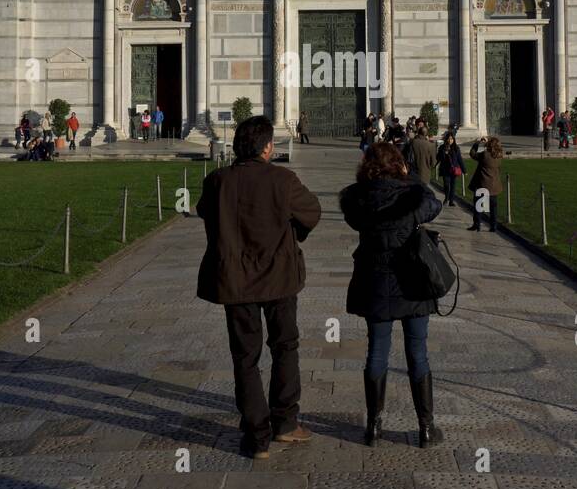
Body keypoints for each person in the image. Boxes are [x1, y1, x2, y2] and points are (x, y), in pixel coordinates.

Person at [197, 115, 322, 460]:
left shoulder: (217, 181)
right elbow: (312, 212)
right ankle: (284, 422)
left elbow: (205, 213)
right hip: (279, 278)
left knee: (245, 357)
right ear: (267, 148)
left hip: (236, 282)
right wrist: (292, 233)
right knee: (285, 347)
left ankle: (257, 437)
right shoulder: (282, 180)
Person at [340, 142, 444, 449]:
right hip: (413, 282)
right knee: (418, 352)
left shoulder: (359, 199)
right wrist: (408, 176)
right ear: (398, 164)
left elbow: (353, 213)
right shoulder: (411, 195)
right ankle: (426, 428)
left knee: (377, 352)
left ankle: (373, 426)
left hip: (376, 283)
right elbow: (433, 204)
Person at [469, 136, 503, 231]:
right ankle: (493, 226)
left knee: (479, 205)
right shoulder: (499, 156)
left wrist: (477, 143)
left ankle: (477, 224)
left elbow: (472, 154)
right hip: (494, 185)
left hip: (483, 183)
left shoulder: (485, 155)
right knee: (493, 207)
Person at [436, 130, 464, 206]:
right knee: (446, 185)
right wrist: (443, 153)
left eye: (451, 139)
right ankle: (446, 197)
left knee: (453, 185)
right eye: (448, 139)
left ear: (453, 140)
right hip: (445, 169)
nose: (450, 140)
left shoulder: (456, 148)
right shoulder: (442, 147)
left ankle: (451, 200)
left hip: (454, 169)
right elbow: (438, 158)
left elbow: (459, 159)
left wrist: (464, 170)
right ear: (446, 139)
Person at [405, 121, 437, 185]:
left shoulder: (413, 142)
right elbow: (433, 163)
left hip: (413, 172)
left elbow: (407, 155)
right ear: (426, 134)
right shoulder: (431, 145)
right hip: (425, 173)